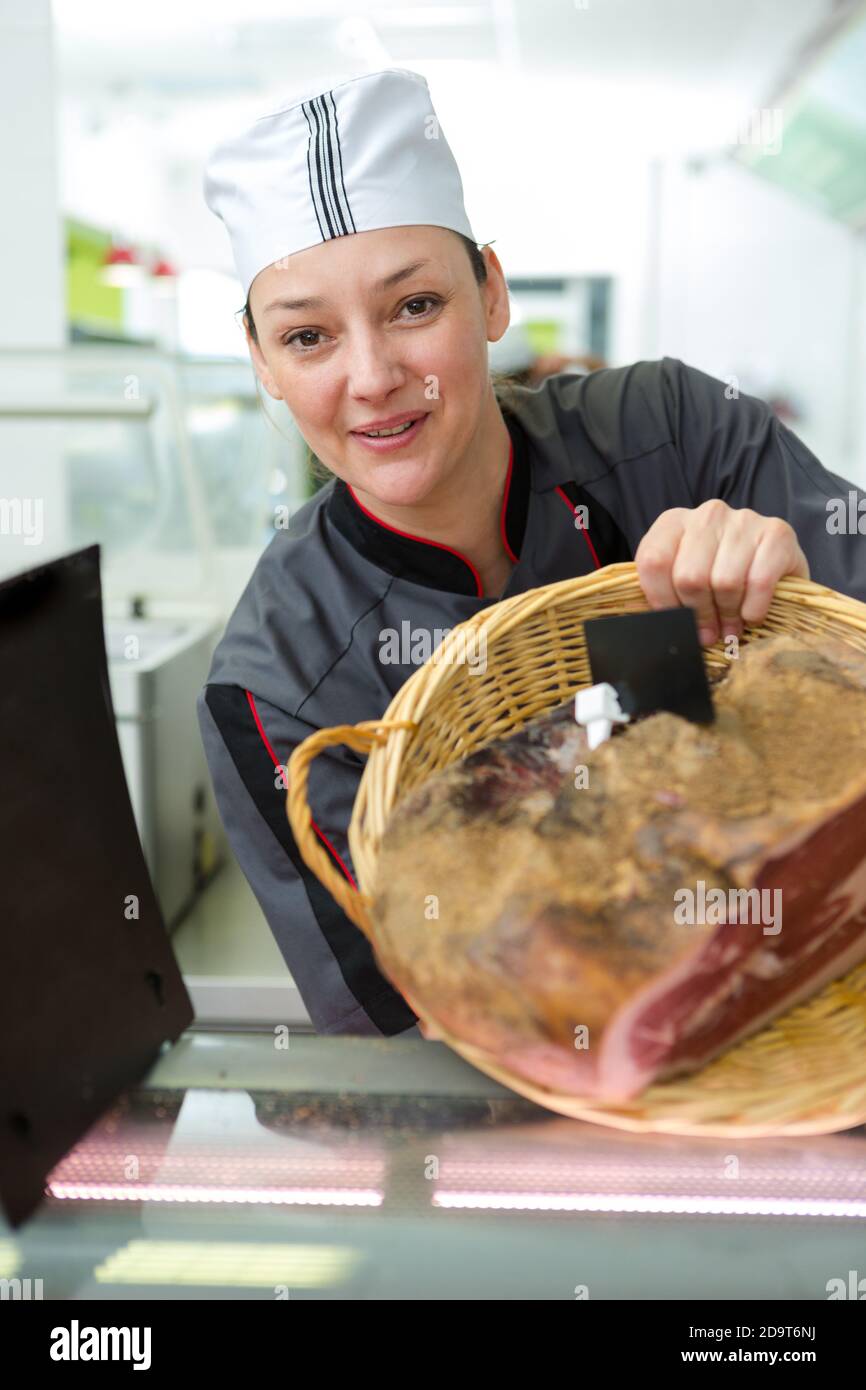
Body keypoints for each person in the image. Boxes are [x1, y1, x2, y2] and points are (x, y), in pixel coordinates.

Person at [197, 67, 866, 1039]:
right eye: (306, 336)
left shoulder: (673, 439)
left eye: (413, 306)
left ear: (491, 293)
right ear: (261, 362)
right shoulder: (277, 689)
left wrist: (805, 605)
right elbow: (399, 1031)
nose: (373, 378)